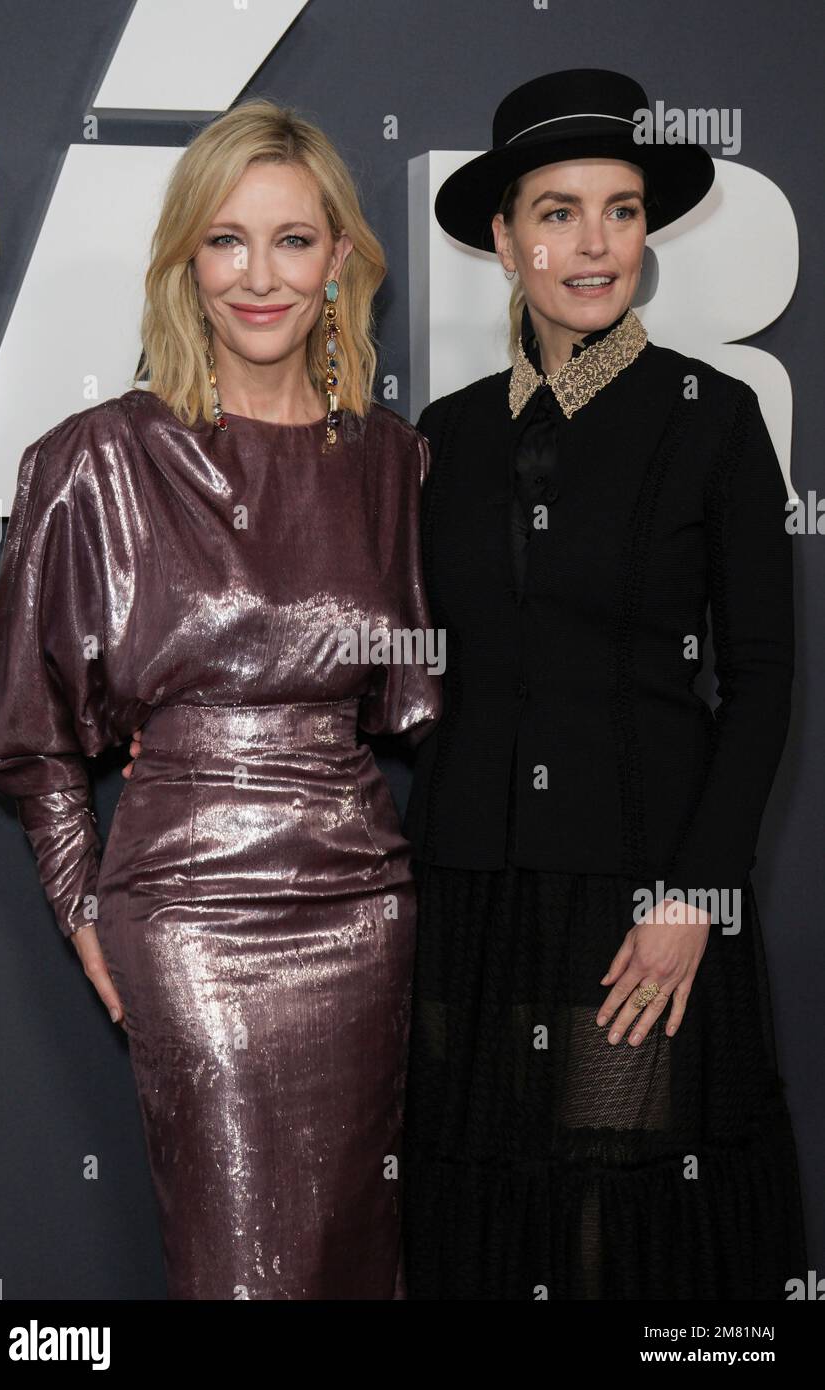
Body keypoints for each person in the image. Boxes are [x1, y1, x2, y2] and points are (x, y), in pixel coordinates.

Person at [0, 98, 441, 1300]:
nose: (259, 276)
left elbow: (407, 695)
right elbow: (29, 730)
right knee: (242, 1262)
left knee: (353, 1253)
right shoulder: (96, 458)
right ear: (188, 259)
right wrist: (84, 902)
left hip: (362, 909)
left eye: (293, 240)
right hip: (185, 916)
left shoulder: (391, 460)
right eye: (226, 240)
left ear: (340, 259)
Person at [400, 68, 808, 1299]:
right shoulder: (447, 435)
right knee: (478, 1203)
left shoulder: (714, 417)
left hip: (634, 899)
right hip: (468, 896)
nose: (592, 244)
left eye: (620, 210)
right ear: (502, 236)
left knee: (607, 1206)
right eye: (559, 211)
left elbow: (761, 672)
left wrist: (692, 895)